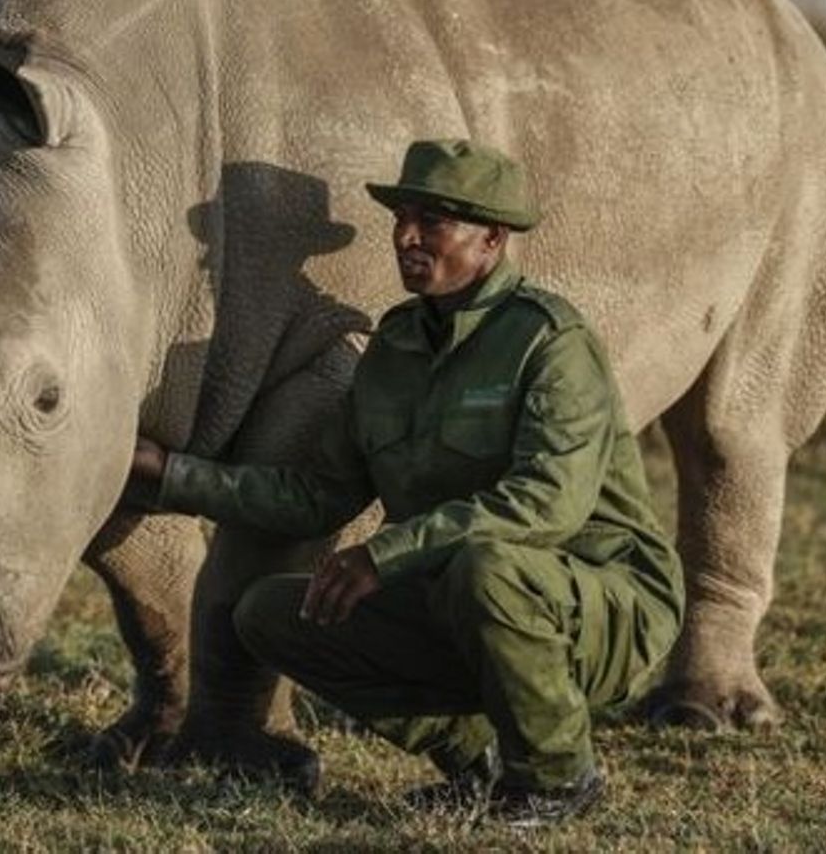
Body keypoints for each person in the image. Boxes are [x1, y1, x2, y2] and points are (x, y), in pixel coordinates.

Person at [125, 139, 683, 828]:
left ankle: (558, 778)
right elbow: (317, 495)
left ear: (492, 239)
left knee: (487, 567)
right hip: (470, 600)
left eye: (434, 222)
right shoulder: (392, 349)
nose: (407, 237)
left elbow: (549, 503)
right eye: (402, 217)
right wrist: (168, 474)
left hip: (606, 604)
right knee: (271, 612)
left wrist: (384, 554)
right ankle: (477, 765)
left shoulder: (550, 341)